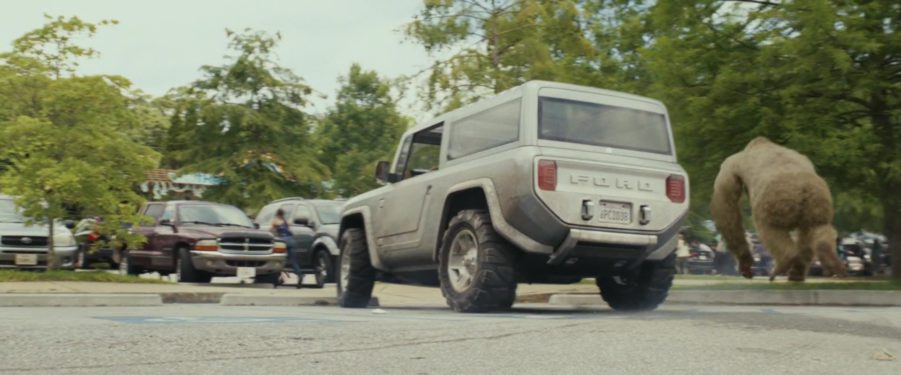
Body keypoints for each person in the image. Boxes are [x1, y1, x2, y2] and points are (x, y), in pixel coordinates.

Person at [271, 209, 303, 288]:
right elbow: (289, 230)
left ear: (277, 214)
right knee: (293, 261)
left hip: (282, 242)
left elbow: (271, 231)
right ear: (283, 214)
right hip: (292, 241)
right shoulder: (285, 221)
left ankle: (276, 280)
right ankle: (299, 275)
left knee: (279, 260)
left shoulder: (275, 221)